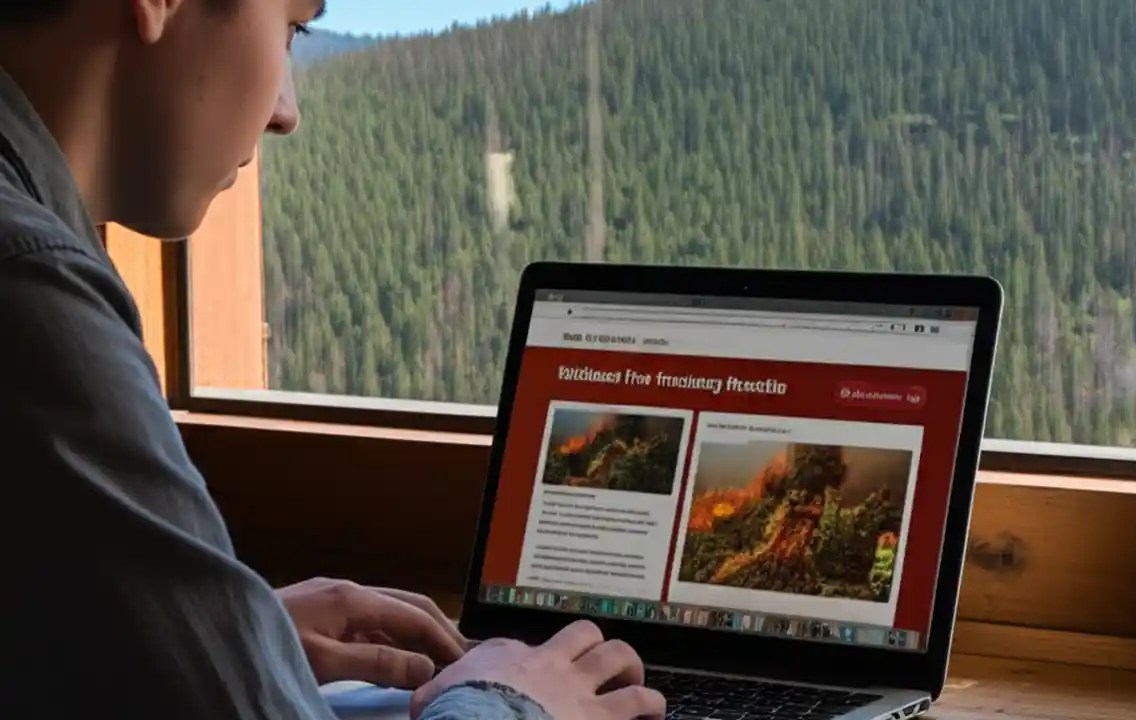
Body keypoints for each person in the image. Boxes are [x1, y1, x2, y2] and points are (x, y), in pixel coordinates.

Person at [0, 1, 665, 719]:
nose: (286, 111)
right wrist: (509, 703)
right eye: (292, 25)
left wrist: (229, 635)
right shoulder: (31, 294)